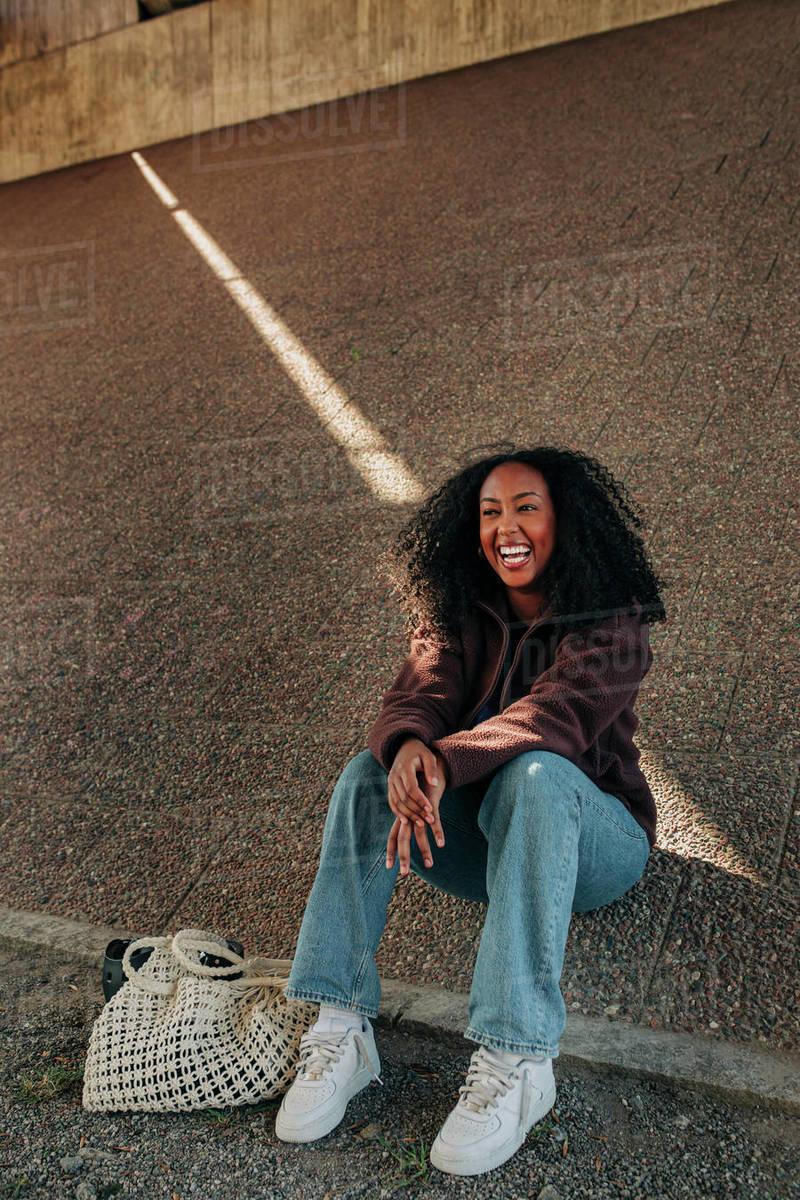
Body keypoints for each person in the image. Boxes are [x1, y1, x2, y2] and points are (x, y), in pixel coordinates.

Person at [275, 445, 666, 1177]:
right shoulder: (458, 606)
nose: (505, 528)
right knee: (369, 774)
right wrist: (410, 748)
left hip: (593, 847)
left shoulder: (615, 620)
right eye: (490, 512)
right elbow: (418, 692)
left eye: (526, 508)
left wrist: (446, 760)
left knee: (540, 772)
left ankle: (518, 1061)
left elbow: (552, 718)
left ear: (565, 521)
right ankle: (339, 1025)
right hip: (489, 848)